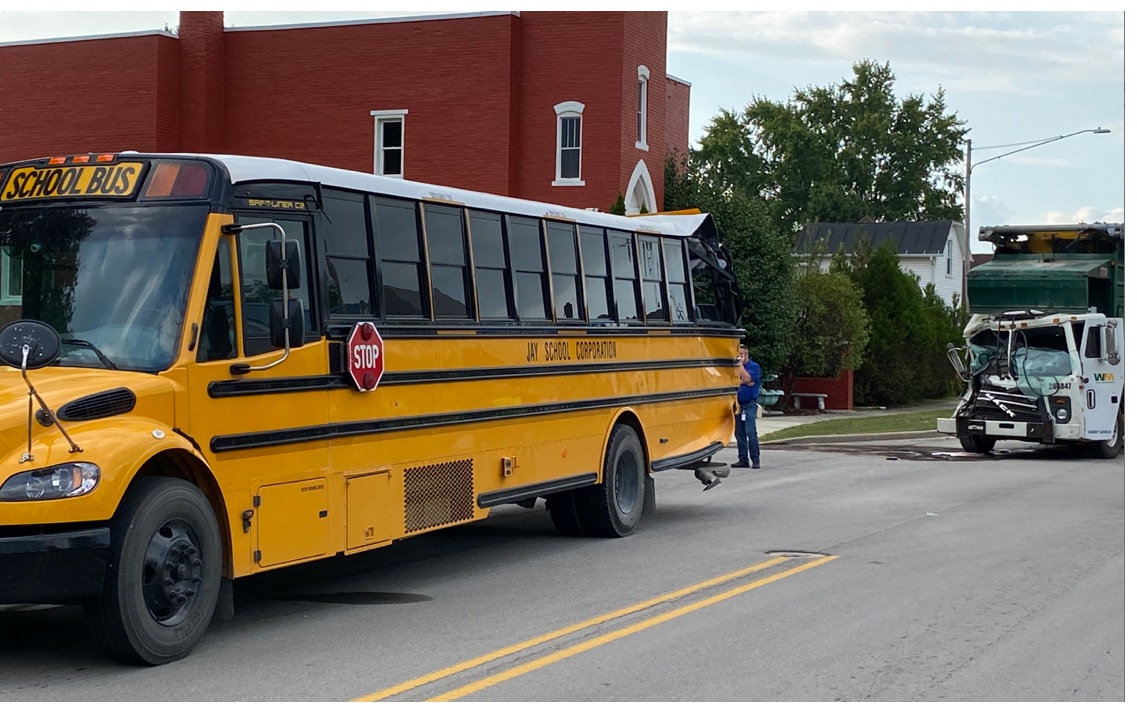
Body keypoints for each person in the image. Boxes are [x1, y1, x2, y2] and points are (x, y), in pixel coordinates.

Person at [733, 344, 761, 469]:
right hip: (738, 404)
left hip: (749, 404)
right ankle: (743, 459)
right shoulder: (733, 368)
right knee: (739, 433)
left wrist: (740, 366)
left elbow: (748, 378)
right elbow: (731, 381)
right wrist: (744, 381)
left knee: (750, 431)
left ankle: (755, 459)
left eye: (741, 355)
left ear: (746, 355)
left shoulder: (754, 367)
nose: (739, 357)